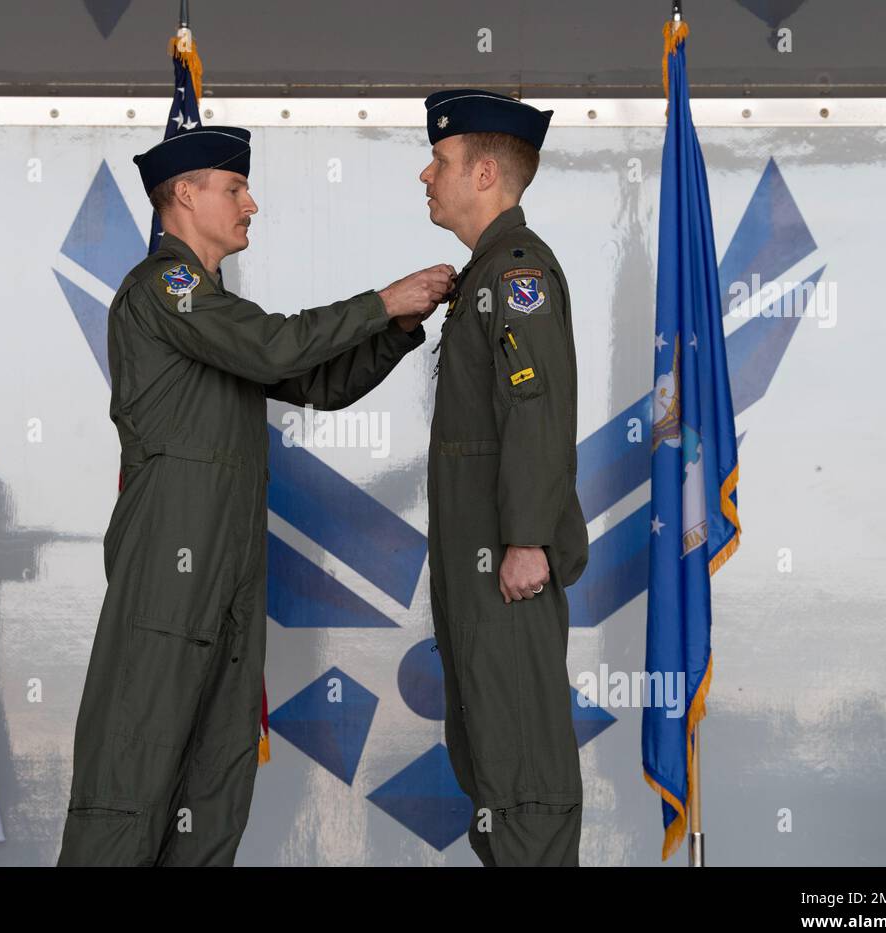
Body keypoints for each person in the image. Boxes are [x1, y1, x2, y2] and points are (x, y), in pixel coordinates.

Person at [58, 126, 454, 866]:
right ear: (184, 193)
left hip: (229, 569)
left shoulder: (211, 309)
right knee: (131, 772)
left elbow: (317, 382)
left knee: (215, 783)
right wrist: (380, 299)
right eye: (235, 189)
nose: (252, 204)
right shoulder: (164, 288)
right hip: (171, 569)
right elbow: (275, 347)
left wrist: (397, 329)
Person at [419, 90, 590, 866]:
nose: (426, 174)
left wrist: (525, 540)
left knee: (523, 773)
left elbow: (537, 411)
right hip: (475, 566)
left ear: (485, 172)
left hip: (505, 566)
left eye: (442, 161)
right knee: (492, 765)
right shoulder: (482, 277)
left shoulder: (519, 274)